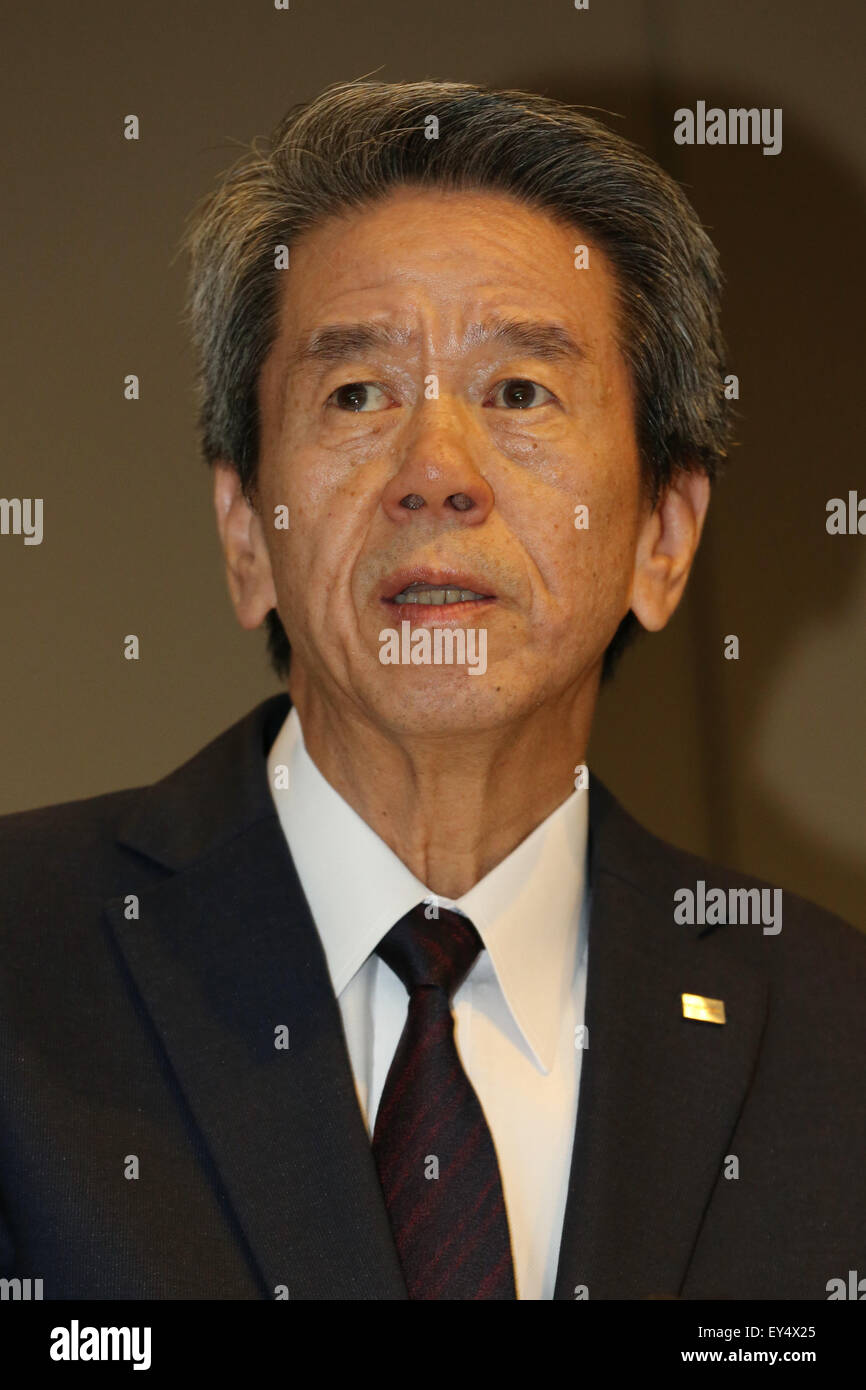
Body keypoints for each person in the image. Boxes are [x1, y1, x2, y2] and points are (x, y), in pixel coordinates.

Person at [1, 80, 863, 1302]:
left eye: (519, 391)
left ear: (661, 539)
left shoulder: (835, 1043)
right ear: (245, 533)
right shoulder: (24, 963)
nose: (434, 473)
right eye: (357, 394)